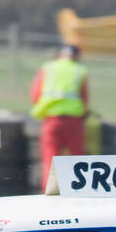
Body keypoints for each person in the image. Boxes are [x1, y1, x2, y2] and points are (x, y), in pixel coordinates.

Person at [30, 44, 89, 189]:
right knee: (78, 159)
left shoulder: (47, 68)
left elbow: (35, 95)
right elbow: (84, 98)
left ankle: (48, 193)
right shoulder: (80, 70)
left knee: (50, 160)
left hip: (51, 121)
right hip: (74, 121)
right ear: (76, 56)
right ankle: (82, 190)